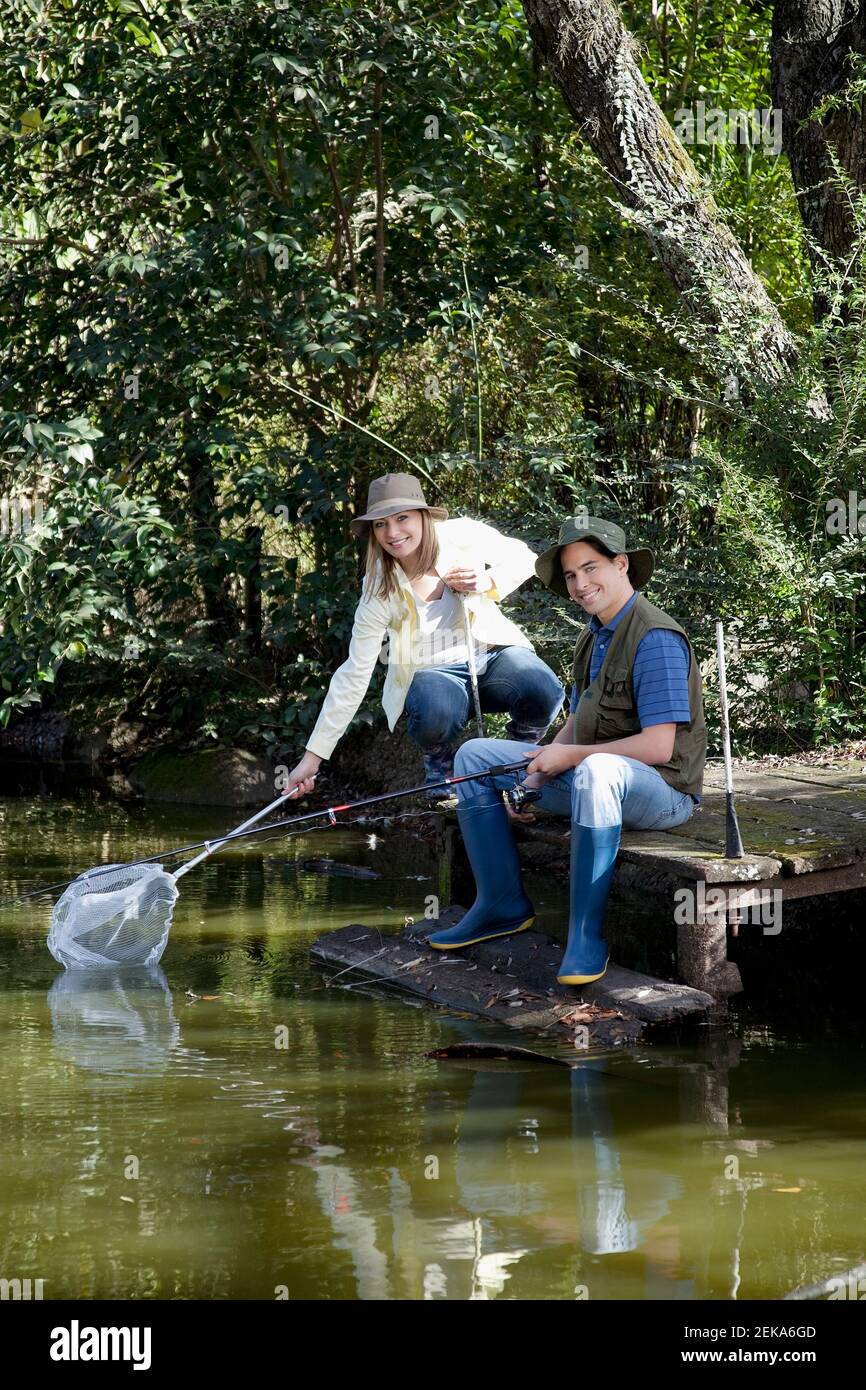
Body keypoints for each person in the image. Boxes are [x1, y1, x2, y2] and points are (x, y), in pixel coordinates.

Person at [426, 515, 707, 986]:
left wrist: (570, 759)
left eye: (590, 568)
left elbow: (659, 748)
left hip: (664, 794)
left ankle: (585, 935)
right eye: (572, 576)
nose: (580, 584)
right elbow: (578, 722)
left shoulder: (655, 638)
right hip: (597, 778)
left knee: (596, 768)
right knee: (474, 755)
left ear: (622, 566)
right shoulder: (593, 635)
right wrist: (532, 781)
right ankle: (501, 905)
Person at [284, 473, 564, 799]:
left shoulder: (461, 535)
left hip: (491, 657)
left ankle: (515, 758)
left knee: (543, 687)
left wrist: (486, 580)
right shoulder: (378, 588)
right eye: (380, 524)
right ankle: (440, 764)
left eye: (402, 518)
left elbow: (525, 557)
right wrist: (312, 758)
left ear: (423, 516)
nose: (393, 533)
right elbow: (354, 674)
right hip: (435, 675)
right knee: (434, 708)